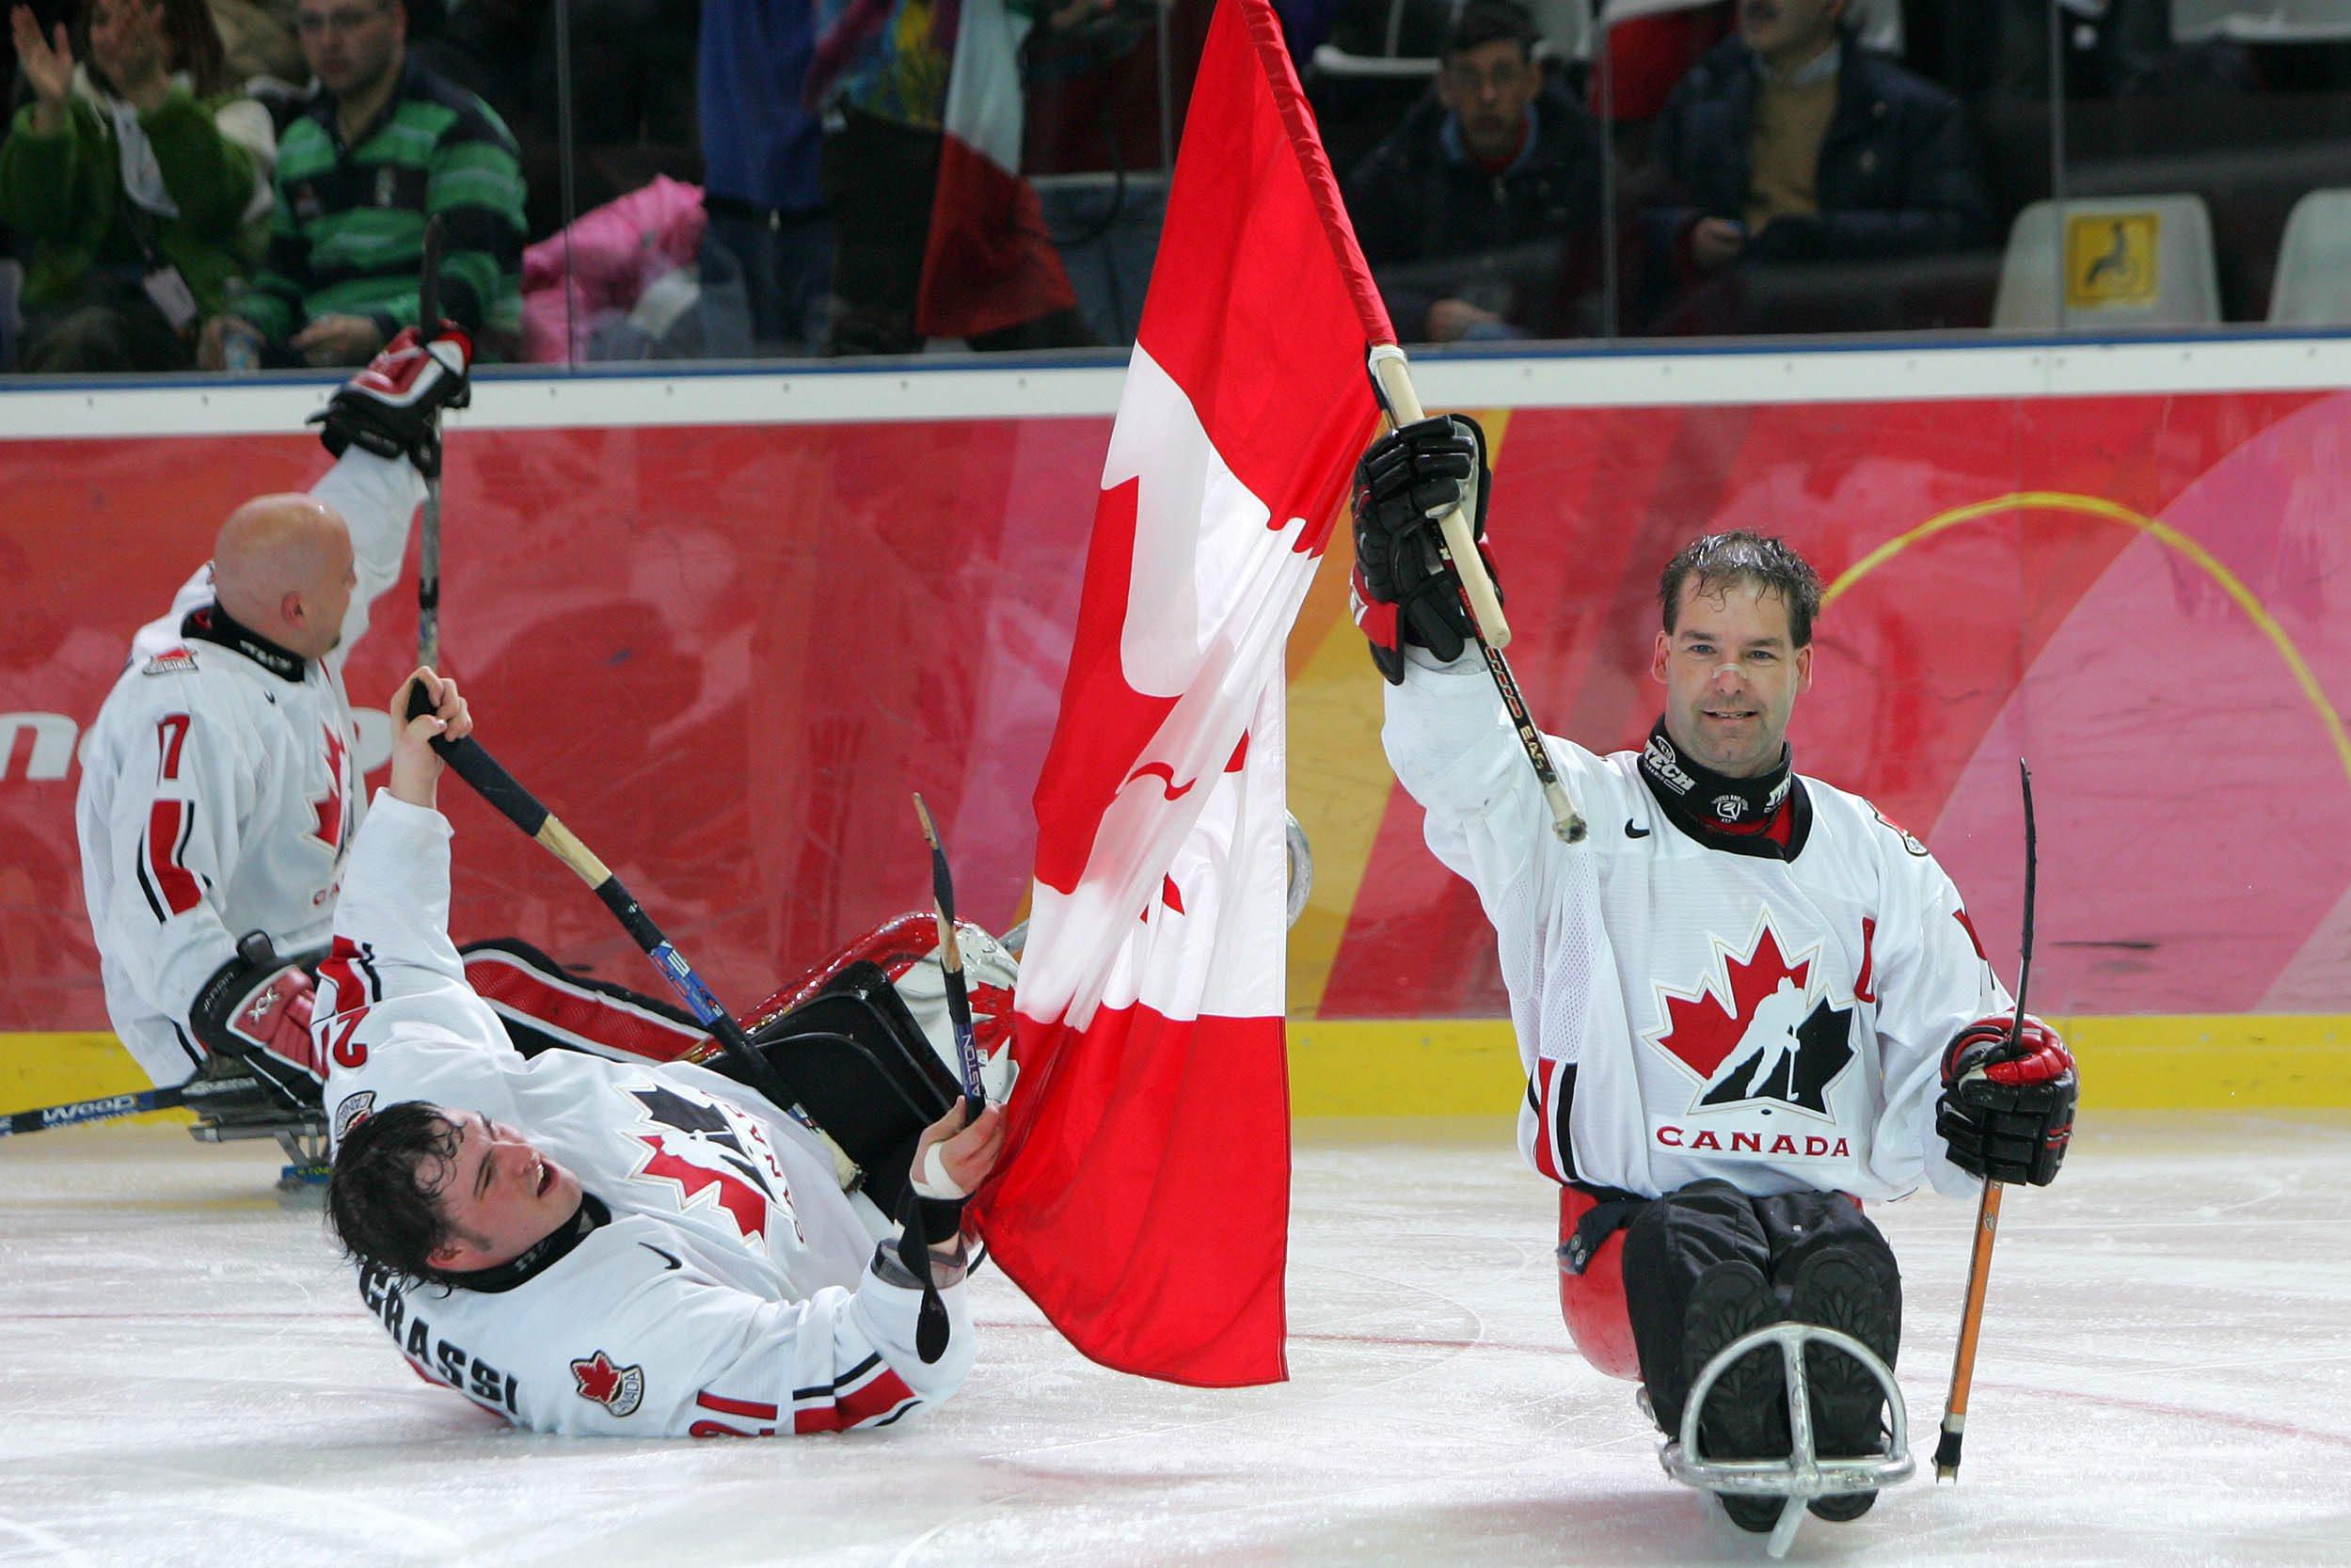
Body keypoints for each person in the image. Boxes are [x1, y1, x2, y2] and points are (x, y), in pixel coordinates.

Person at [1348, 417, 2077, 1530]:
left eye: (1759, 652)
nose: (1728, 680)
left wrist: (2001, 1089)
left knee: (1844, 1254)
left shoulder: (1873, 854)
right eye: (1703, 648)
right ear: (1662, 658)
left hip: (1813, 1207)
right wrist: (1431, 621)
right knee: (1702, 1248)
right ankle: (1737, 1389)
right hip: (1633, 1235)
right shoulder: (1570, 815)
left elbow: (1963, 1027)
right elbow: (1465, 765)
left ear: (1804, 668)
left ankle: (1825, 1404)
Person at [320, 670, 1006, 1436]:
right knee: (1043, 1071)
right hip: (867, 1233)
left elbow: (383, 955)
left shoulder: (405, 1114)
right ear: (448, 1253)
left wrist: (416, 770)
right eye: (489, 1174)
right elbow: (872, 1370)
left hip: (753, 1106)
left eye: (490, 1131)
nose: (515, 1149)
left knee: (959, 967)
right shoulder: (603, 1349)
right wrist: (933, 1213)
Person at [73, 326, 471, 1149]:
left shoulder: (256, 613)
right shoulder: (184, 707)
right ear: (295, 611)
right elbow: (158, 895)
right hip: (216, 1005)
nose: (355, 589)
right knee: (481, 1020)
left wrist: (387, 448)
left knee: (483, 989)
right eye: (341, 586)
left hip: (317, 962)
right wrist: (250, 1007)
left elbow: (332, 546)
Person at [197, 0, 524, 369]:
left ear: (397, 20)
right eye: (311, 24)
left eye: (349, 20)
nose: (328, 41)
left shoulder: (461, 128)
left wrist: (377, 330)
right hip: (324, 373)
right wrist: (245, 323)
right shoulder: (301, 142)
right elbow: (283, 282)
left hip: (447, 378)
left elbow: (470, 286)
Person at [1640, 0, 1990, 326]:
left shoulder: (1912, 110)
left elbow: (1955, 229)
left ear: (1833, 5)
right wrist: (1688, 234)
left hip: (1856, 311)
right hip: (1727, 309)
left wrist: (1816, 238)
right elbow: (1637, 216)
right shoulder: (1701, 94)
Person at [0, 0, 274, 371]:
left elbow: (215, 206)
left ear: (179, 30)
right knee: (81, 334)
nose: (114, 37)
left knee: (93, 335)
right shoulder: (75, 112)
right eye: (100, 21)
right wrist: (50, 108)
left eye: (132, 22)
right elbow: (30, 215)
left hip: (191, 330)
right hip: (67, 320)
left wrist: (151, 92)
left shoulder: (236, 116)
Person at [1342, 0, 1602, 344]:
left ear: (1533, 80)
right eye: (1469, 78)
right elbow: (1340, 280)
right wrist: (1421, 318)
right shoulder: (1399, 170)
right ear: (1445, 88)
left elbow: (1612, 290)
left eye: (1502, 74)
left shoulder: (1583, 162)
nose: (1487, 96)